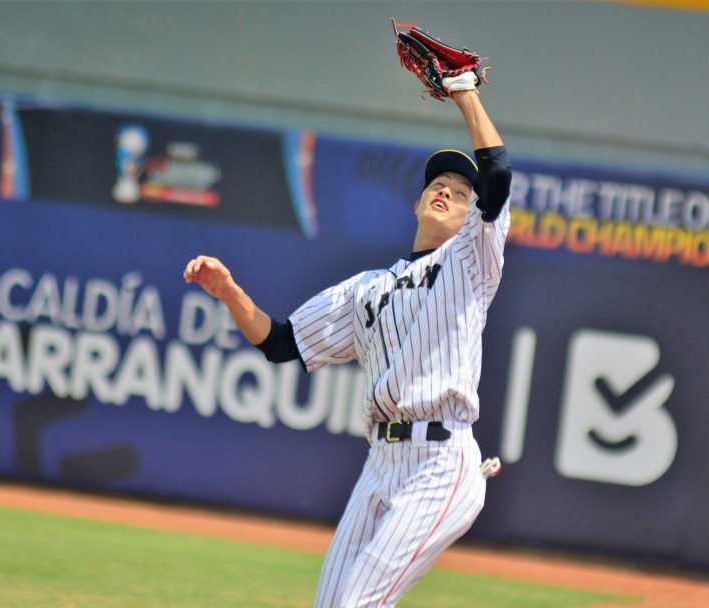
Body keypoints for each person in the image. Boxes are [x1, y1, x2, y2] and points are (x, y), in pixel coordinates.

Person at [183, 80, 510, 606]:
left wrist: (464, 94)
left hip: (440, 461)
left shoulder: (471, 261)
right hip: (381, 461)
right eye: (438, 183)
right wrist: (228, 293)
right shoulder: (366, 289)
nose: (447, 190)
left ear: (473, 217)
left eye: (460, 191)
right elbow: (282, 342)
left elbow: (497, 175)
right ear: (417, 203)